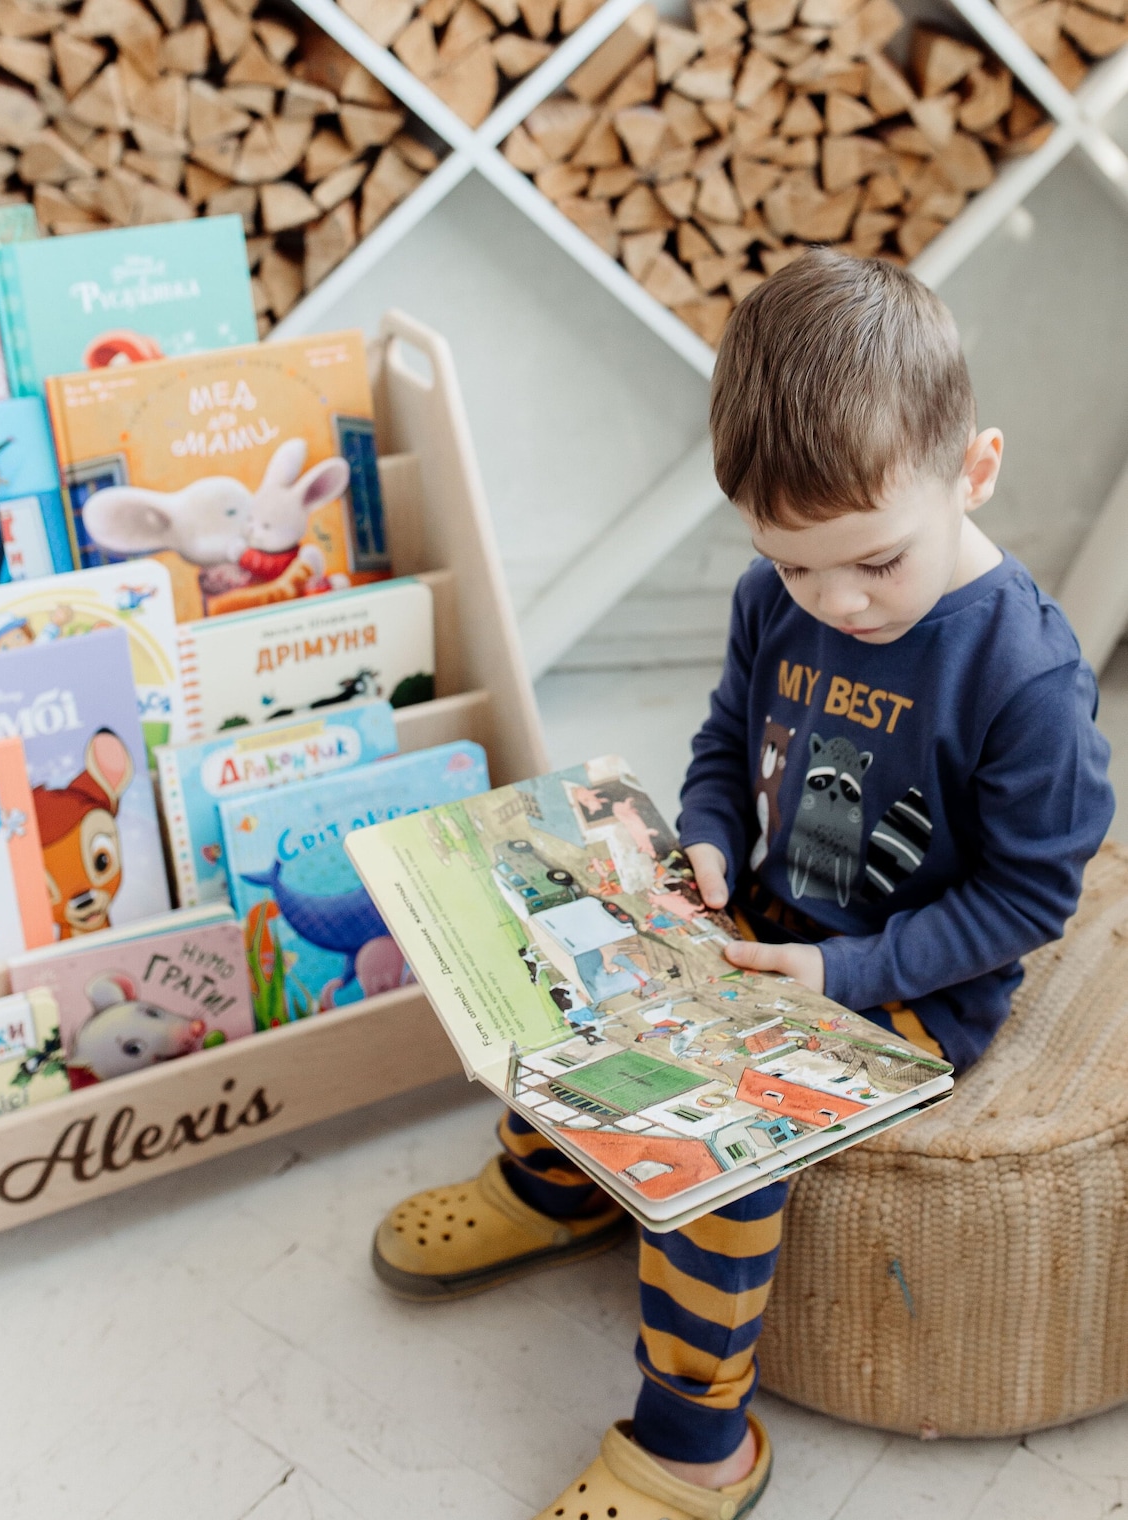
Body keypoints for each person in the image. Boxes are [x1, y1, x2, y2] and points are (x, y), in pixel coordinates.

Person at [371, 250, 1115, 1520]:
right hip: (764, 918)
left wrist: (841, 970)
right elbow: (726, 737)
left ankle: (696, 1444)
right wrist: (709, 837)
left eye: (875, 561)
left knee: (712, 1151)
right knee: (574, 977)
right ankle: (550, 1188)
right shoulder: (778, 595)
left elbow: (1029, 901)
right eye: (794, 563)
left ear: (975, 470)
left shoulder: (1025, 675)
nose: (835, 599)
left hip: (912, 985)